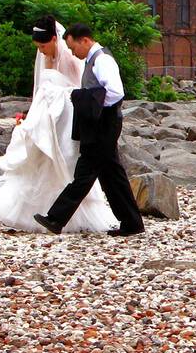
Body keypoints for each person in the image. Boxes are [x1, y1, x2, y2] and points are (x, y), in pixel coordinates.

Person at [0, 17, 119, 234]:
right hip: (47, 117)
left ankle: (59, 217)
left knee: (81, 168)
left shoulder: (77, 59)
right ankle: (53, 217)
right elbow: (43, 90)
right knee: (67, 166)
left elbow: (81, 91)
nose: (41, 51)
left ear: (54, 39)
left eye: (43, 46)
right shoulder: (47, 58)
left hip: (66, 117)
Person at [34, 23, 144, 237]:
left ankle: (56, 218)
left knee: (85, 174)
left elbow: (115, 92)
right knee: (112, 176)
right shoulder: (94, 60)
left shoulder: (102, 60)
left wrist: (84, 100)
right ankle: (132, 222)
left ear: (84, 40)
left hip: (103, 124)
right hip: (102, 123)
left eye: (73, 47)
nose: (73, 52)